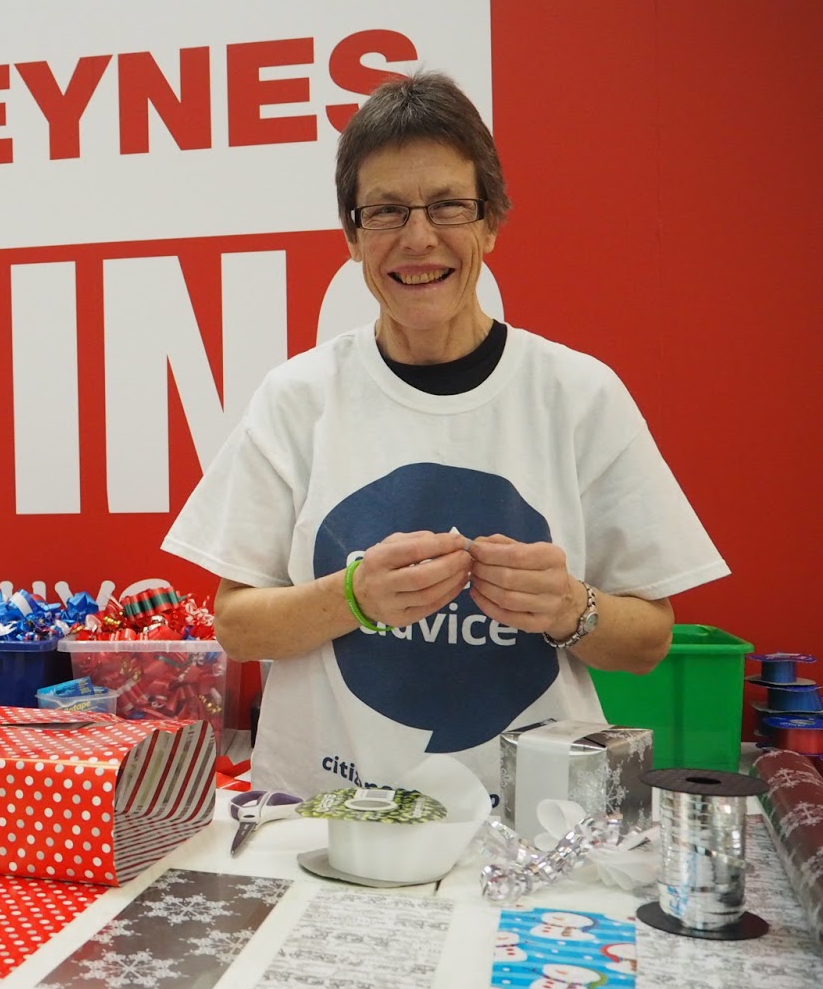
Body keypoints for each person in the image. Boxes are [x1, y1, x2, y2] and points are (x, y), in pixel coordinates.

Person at [161, 71, 727, 800]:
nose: (419, 238)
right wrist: (355, 597)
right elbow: (236, 625)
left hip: (532, 827)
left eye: (448, 207)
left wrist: (567, 608)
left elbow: (648, 641)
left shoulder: (579, 395)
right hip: (326, 817)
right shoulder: (297, 397)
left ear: (490, 222)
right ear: (353, 236)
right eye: (387, 211)